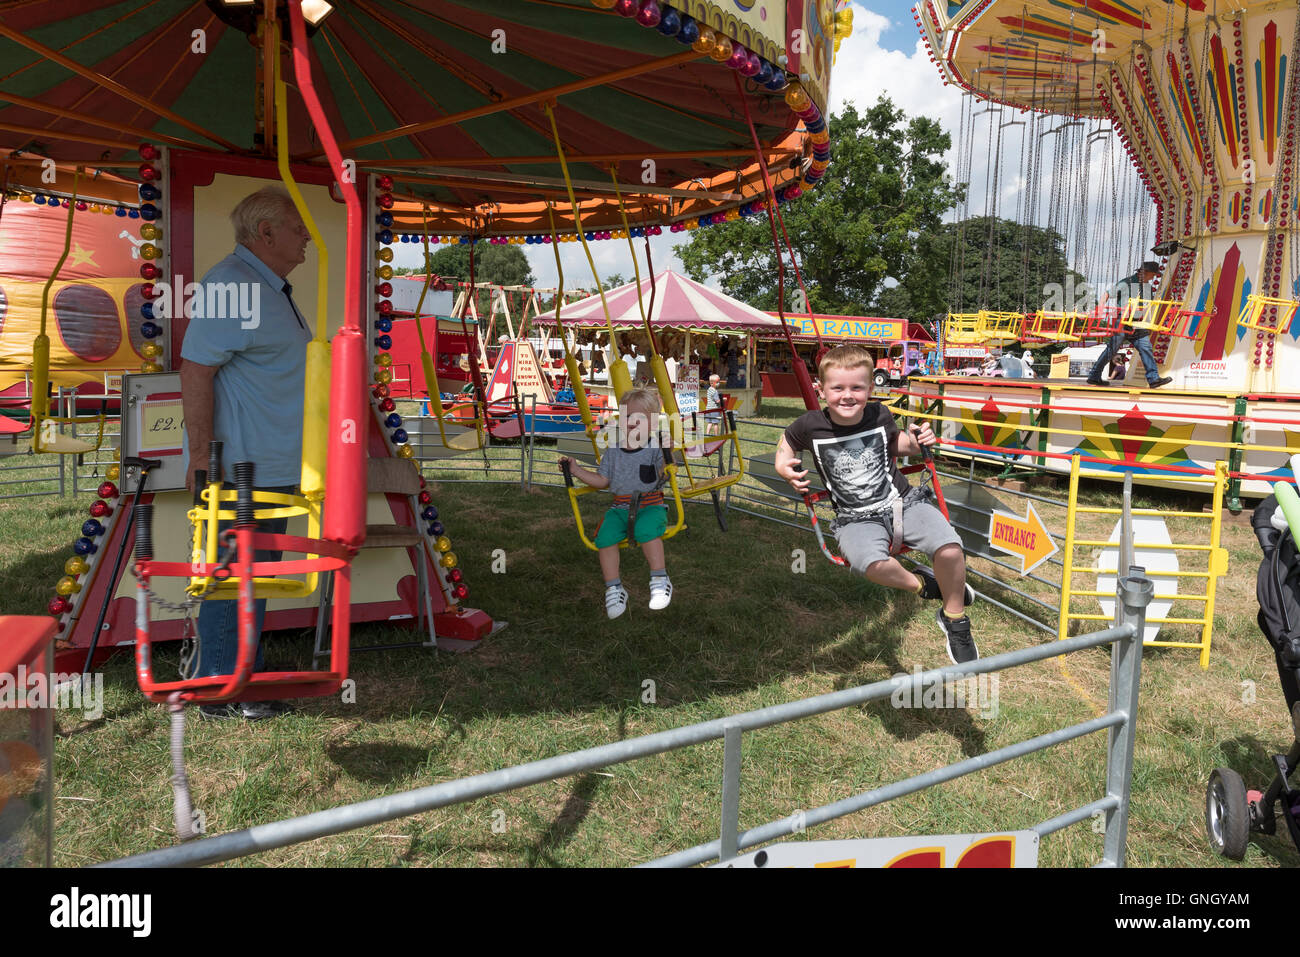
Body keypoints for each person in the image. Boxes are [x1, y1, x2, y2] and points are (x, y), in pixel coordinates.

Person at [180, 185, 311, 721]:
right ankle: (219, 689)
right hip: (244, 463)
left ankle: (232, 676)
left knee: (250, 574)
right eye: (297, 227)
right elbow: (196, 370)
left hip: (272, 460)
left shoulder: (268, 286)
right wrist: (200, 456)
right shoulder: (233, 285)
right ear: (266, 232)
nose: (306, 236)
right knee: (235, 574)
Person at [774, 345, 978, 664]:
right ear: (821, 389)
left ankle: (955, 619)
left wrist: (916, 442)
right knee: (871, 564)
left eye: (857, 387)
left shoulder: (879, 414)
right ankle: (923, 585)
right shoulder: (809, 425)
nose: (847, 395)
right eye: (837, 387)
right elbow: (786, 445)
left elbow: (895, 443)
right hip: (855, 519)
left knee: (950, 548)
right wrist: (783, 466)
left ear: (871, 388)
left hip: (903, 503)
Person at [558, 387, 673, 618]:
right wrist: (577, 470)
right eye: (627, 416)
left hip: (650, 505)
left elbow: (666, 472)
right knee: (604, 537)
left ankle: (660, 579)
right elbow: (602, 480)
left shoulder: (655, 446)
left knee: (647, 530)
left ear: (652, 423)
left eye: (639, 417)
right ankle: (614, 588)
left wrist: (667, 451)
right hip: (620, 507)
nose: (631, 422)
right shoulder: (613, 450)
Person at [1086, 262, 1173, 388]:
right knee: (1111, 350)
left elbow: (1146, 306)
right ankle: (1094, 376)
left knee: (1146, 348)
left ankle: (1154, 379)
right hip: (1123, 321)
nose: (1153, 278)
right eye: (1153, 275)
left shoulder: (1147, 287)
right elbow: (1107, 294)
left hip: (1138, 322)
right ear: (1145, 272)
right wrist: (1100, 308)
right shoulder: (1126, 283)